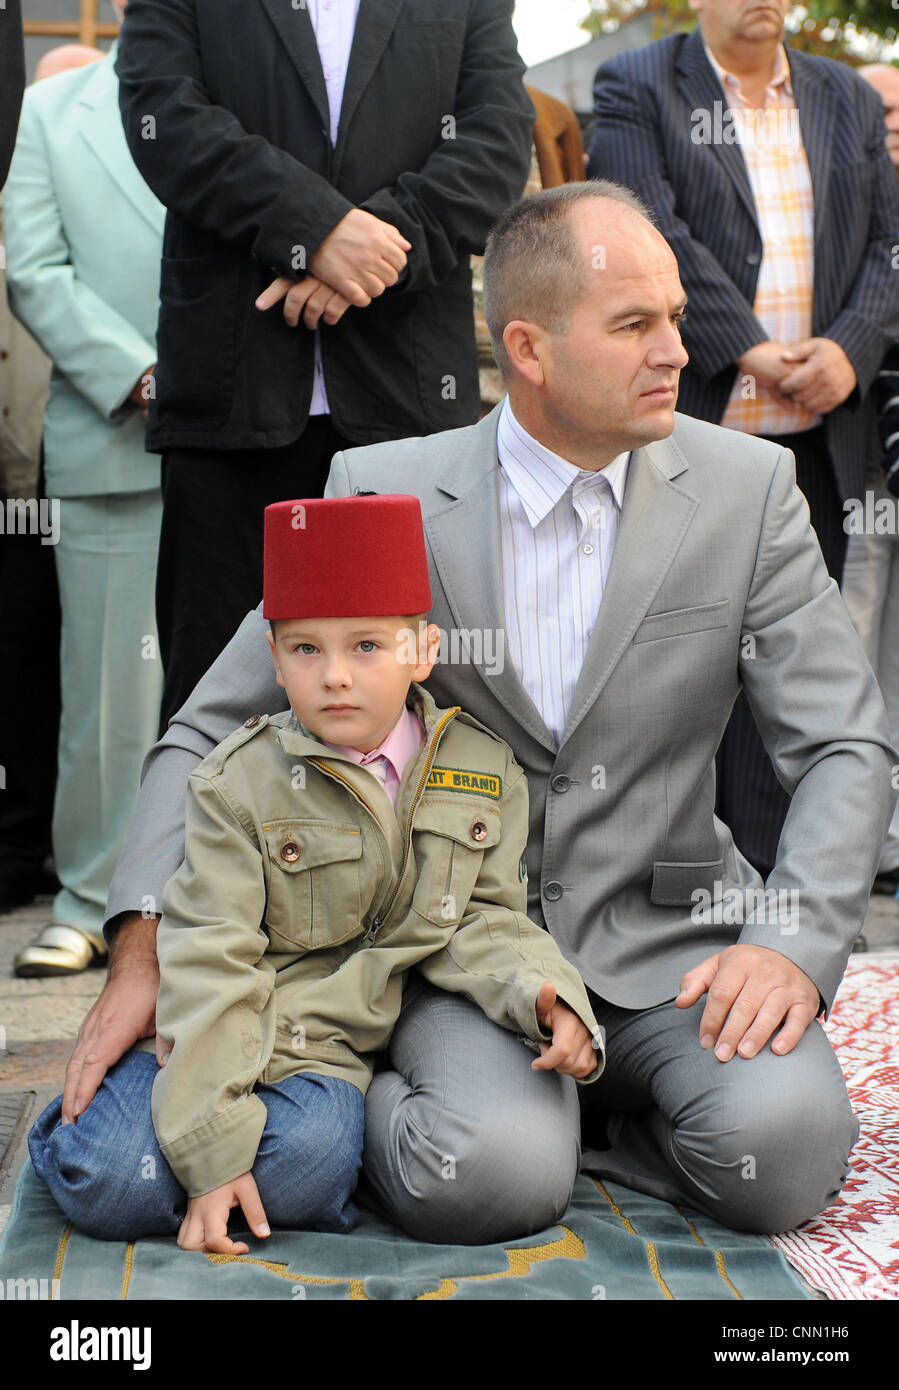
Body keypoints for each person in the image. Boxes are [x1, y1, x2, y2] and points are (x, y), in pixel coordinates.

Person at [64, 185, 893, 1242]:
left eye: (676, 318)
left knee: (779, 1160)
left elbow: (840, 741)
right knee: (484, 1180)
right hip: (450, 955)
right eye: (634, 324)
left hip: (673, 943)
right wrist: (140, 945)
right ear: (528, 350)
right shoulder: (381, 492)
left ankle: (587, 1139)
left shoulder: (749, 488)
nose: (677, 352)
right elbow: (204, 726)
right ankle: (416, 1107)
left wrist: (792, 938)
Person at [29, 493, 602, 1249]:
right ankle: (136, 1141)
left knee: (307, 1170)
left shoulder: (481, 770)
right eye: (305, 650)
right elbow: (211, 956)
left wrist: (547, 997)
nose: (334, 676)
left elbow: (483, 920)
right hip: (202, 1036)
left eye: (366, 647)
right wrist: (209, 1147)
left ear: (421, 652)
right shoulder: (235, 780)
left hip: (323, 1052)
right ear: (273, 659)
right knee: (107, 1182)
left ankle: (215, 1169)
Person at [114, 0, 535, 729]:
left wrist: (374, 250)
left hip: (405, 401)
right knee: (213, 701)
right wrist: (315, 230)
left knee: (423, 697)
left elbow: (495, 140)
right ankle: (207, 850)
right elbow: (165, 117)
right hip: (231, 398)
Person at [586, 0, 899, 877]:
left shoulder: (841, 92)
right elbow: (640, 229)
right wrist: (747, 349)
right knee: (672, 681)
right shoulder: (637, 85)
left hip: (817, 438)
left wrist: (851, 346)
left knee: (788, 685)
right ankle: (660, 905)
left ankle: (765, 909)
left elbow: (889, 241)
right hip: (686, 430)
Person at [4, 6, 166, 976]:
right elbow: (36, 268)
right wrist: (145, 374)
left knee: (289, 673)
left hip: (263, 430)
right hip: (114, 434)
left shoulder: (261, 98)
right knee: (108, 689)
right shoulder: (52, 110)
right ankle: (92, 895)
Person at [841, 63, 899, 896]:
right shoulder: (844, 209)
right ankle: (854, 844)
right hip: (854, 459)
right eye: (880, 106)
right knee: (845, 644)